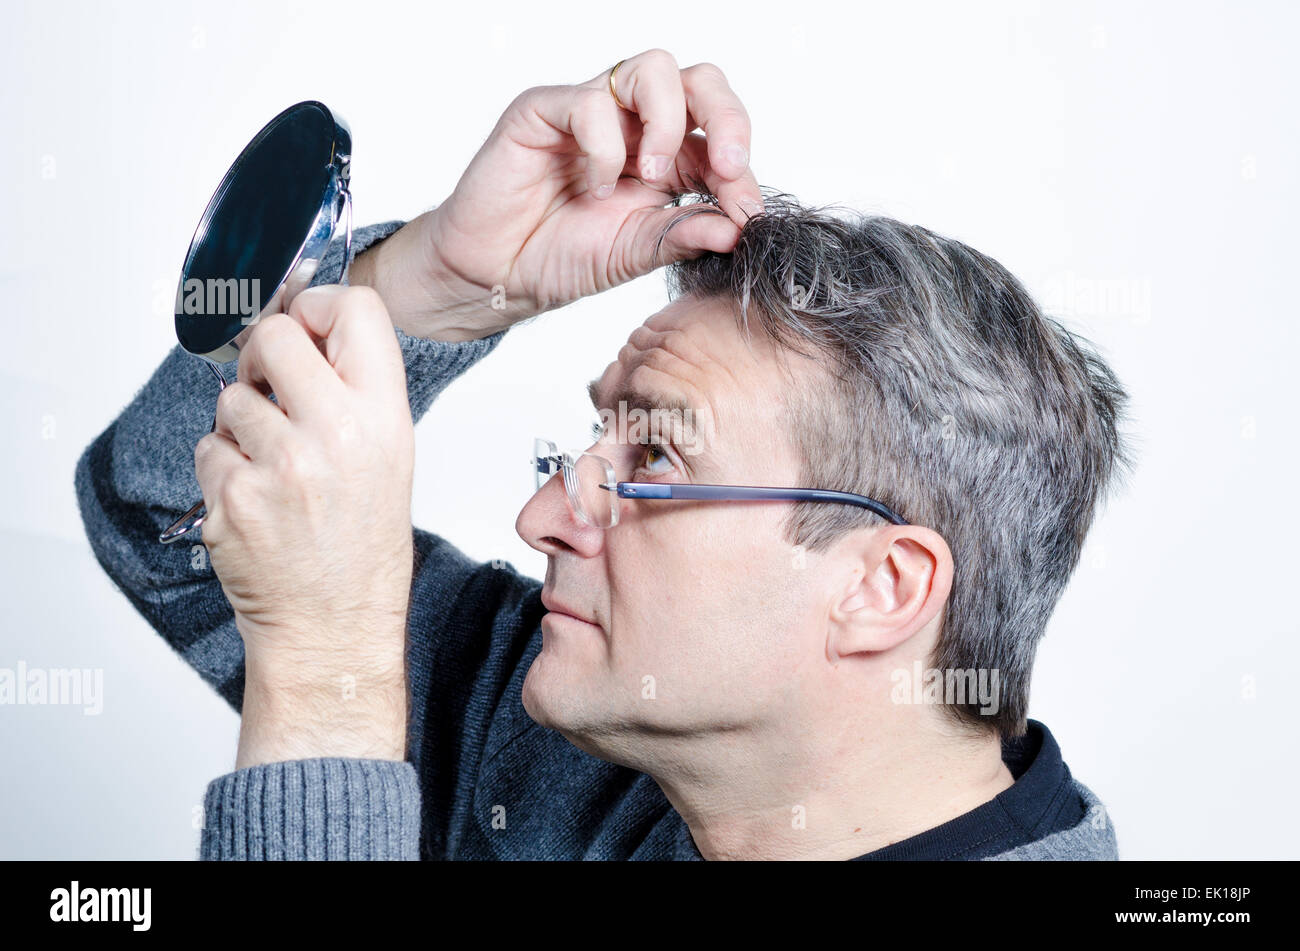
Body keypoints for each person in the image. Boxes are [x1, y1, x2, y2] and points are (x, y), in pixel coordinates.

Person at [76, 49, 1128, 860]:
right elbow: (168, 517)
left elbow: (285, 632)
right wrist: (443, 283)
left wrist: (327, 691)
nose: (539, 521)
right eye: (595, 441)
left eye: (657, 457)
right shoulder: (576, 733)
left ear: (881, 586)